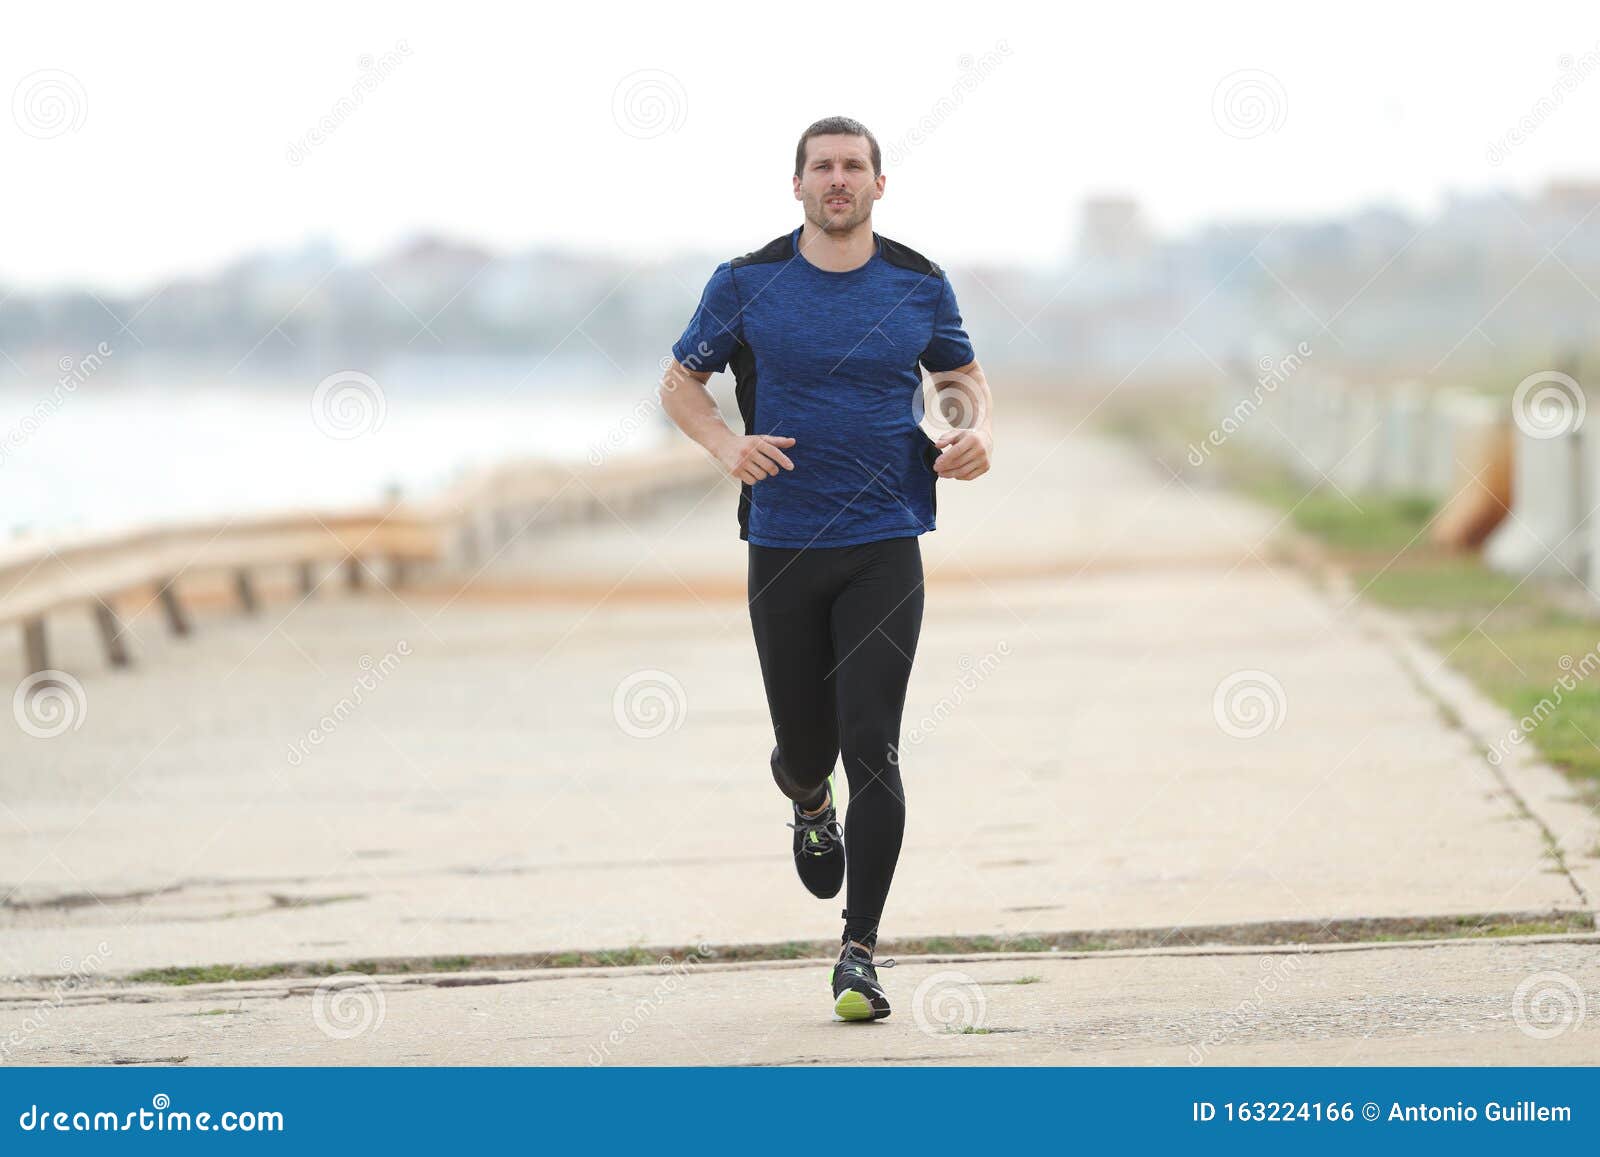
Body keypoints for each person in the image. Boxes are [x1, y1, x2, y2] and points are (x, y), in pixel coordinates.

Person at [661, 115, 993, 1021]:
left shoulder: (917, 282)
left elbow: (959, 374)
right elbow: (680, 383)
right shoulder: (747, 282)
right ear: (797, 185)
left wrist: (972, 430)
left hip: (887, 540)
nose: (837, 179)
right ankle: (809, 800)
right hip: (784, 543)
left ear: (879, 185)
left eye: (853, 166)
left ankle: (860, 953)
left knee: (872, 745)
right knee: (809, 749)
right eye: (822, 167)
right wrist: (727, 444)